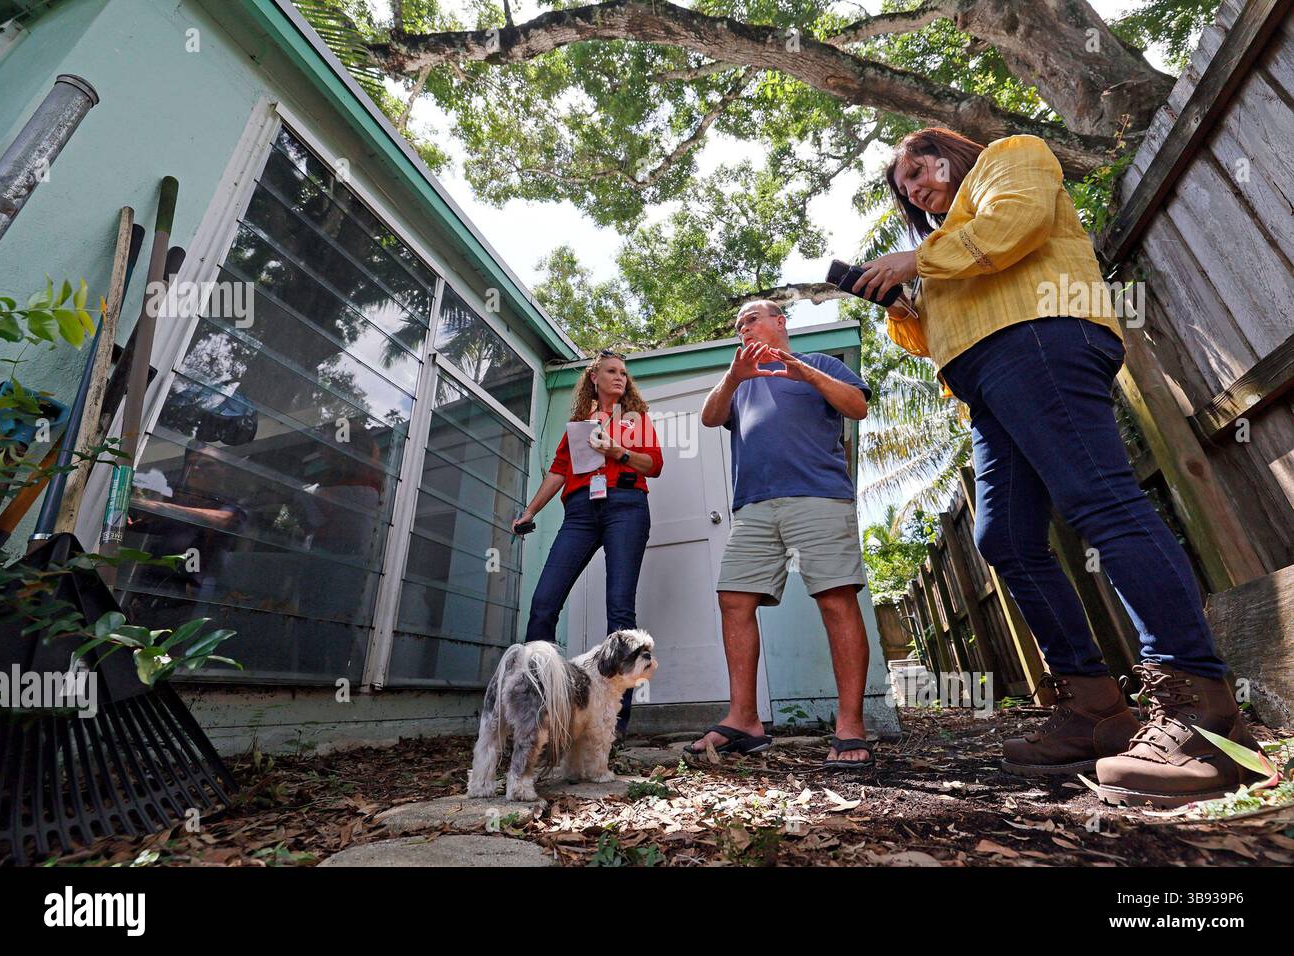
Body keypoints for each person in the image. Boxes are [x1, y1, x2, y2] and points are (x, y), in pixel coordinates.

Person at [862, 126, 1259, 807]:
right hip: (983, 377)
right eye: (906, 189)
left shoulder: (1009, 159)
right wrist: (904, 300)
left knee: (1099, 501)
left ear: (948, 151)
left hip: (1039, 337)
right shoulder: (942, 247)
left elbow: (1013, 228)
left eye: (919, 168)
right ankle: (1094, 709)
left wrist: (917, 261)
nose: (917, 186)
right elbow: (936, 333)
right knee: (1005, 540)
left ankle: (1205, 712)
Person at [686, 301, 876, 771]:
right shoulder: (740, 379)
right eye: (738, 325)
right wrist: (733, 377)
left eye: (751, 319)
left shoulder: (820, 364)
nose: (743, 328)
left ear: (780, 323)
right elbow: (710, 419)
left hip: (818, 495)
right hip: (752, 504)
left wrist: (804, 374)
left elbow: (857, 407)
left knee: (835, 599)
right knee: (734, 599)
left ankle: (850, 724)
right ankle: (744, 721)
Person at [513, 350, 663, 738]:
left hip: (626, 509)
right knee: (544, 603)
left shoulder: (637, 420)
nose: (620, 378)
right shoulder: (577, 425)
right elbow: (559, 471)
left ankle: (613, 724)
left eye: (624, 373)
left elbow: (655, 466)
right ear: (593, 377)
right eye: (612, 372)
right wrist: (529, 511)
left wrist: (619, 452)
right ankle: (538, 707)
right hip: (580, 513)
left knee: (619, 612)